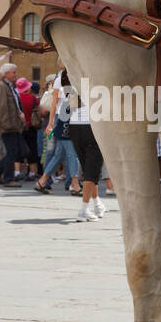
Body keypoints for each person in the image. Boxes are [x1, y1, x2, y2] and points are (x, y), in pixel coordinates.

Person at [66, 75, 107, 221]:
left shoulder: (69, 77)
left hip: (75, 126)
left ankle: (97, 204)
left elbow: (65, 105)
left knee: (89, 169)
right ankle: (83, 210)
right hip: (92, 125)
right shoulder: (96, 77)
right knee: (91, 171)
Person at [36, 68, 79, 194]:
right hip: (65, 117)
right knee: (71, 153)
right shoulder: (61, 79)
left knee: (59, 154)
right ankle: (75, 184)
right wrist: (51, 124)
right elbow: (56, 103)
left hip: (66, 117)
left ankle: (42, 181)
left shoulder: (70, 76)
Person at [0, 63, 25, 187]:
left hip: (12, 124)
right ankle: (8, 178)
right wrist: (6, 125)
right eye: (13, 72)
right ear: (6, 74)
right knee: (12, 151)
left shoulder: (8, 86)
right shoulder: (3, 87)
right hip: (8, 125)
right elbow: (2, 108)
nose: (15, 75)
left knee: (14, 151)